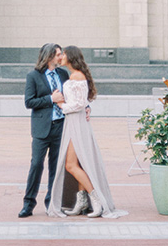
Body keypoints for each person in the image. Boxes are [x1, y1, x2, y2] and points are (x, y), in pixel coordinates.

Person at [47, 45, 125, 219]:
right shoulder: (73, 75)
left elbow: (78, 104)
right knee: (78, 163)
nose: (61, 57)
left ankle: (96, 199)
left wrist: (60, 105)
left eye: (64, 54)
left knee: (70, 165)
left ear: (71, 57)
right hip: (73, 121)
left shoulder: (77, 77)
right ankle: (81, 201)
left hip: (76, 122)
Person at [19, 43, 69, 218]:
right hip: (41, 129)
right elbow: (29, 102)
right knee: (36, 165)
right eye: (57, 54)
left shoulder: (63, 74)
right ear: (48, 56)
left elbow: (70, 97)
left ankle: (52, 204)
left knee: (56, 168)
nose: (60, 56)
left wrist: (85, 107)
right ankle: (28, 204)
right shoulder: (33, 76)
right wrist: (50, 99)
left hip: (60, 127)